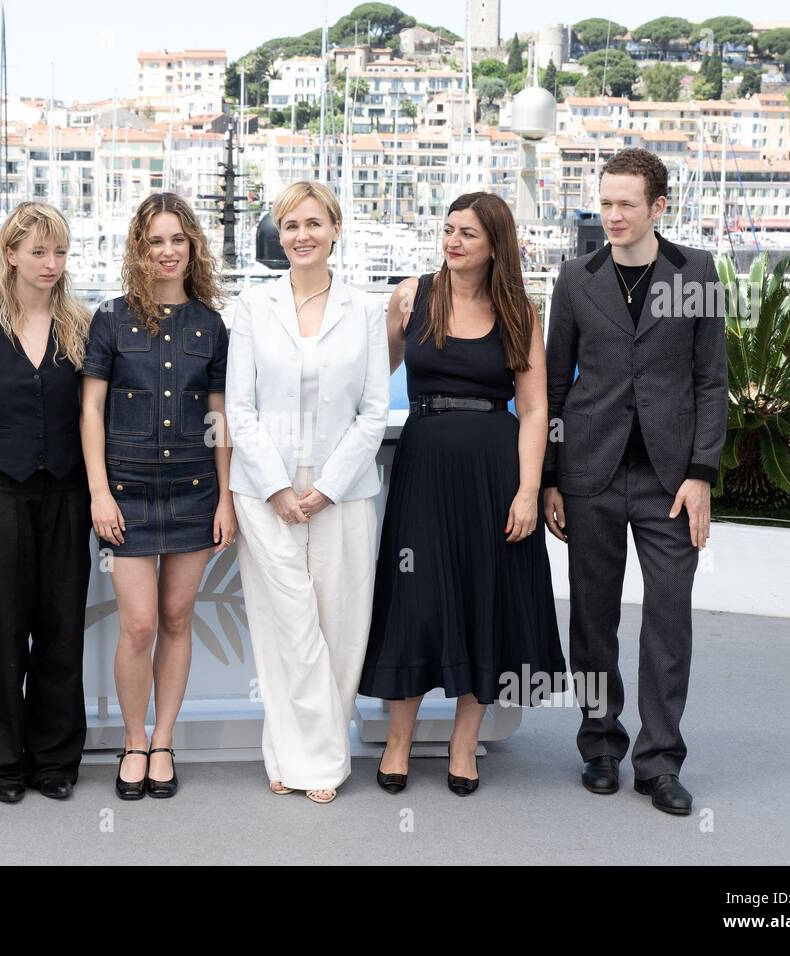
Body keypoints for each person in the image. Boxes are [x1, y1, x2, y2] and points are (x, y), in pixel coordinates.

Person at [359, 192, 565, 796]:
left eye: (468, 234)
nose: (452, 241)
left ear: (495, 244)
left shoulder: (521, 311)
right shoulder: (411, 294)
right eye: (448, 230)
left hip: (494, 471)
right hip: (423, 465)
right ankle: (398, 741)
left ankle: (464, 744)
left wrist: (528, 491)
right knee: (415, 600)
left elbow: (533, 408)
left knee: (484, 598)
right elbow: (374, 378)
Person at [542, 147, 728, 816]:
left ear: (658, 207)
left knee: (668, 616)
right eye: (606, 202)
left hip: (671, 481)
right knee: (592, 619)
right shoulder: (576, 277)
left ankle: (659, 762)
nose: (612, 215)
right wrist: (551, 478)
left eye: (626, 204)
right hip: (590, 471)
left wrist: (702, 473)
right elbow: (554, 383)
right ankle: (599, 745)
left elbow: (712, 380)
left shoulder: (696, 271)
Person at [226, 181, 389, 804]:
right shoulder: (252, 306)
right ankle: (289, 751)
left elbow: (373, 413)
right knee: (285, 625)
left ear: (335, 228)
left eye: (313, 223)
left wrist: (323, 488)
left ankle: (321, 758)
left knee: (340, 624)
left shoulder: (364, 308)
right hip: (264, 497)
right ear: (278, 232)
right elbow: (239, 408)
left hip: (342, 496)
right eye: (290, 225)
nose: (302, 235)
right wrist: (274, 488)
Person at [79, 193, 236, 800]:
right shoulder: (111, 319)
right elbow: (91, 409)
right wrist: (99, 492)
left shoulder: (211, 325)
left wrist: (225, 497)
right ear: (138, 252)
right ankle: (134, 741)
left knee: (176, 619)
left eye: (177, 240)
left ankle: (165, 741)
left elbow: (219, 417)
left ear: (192, 246)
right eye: (155, 243)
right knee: (139, 626)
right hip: (128, 497)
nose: (167, 253)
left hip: (195, 494)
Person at [0, 202, 92, 803]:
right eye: (38, 252)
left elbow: (94, 415)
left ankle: (55, 759)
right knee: (3, 631)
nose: (50, 264)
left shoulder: (82, 323)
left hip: (68, 491)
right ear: (10, 254)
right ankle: (4, 764)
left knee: (61, 628)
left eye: (58, 252)